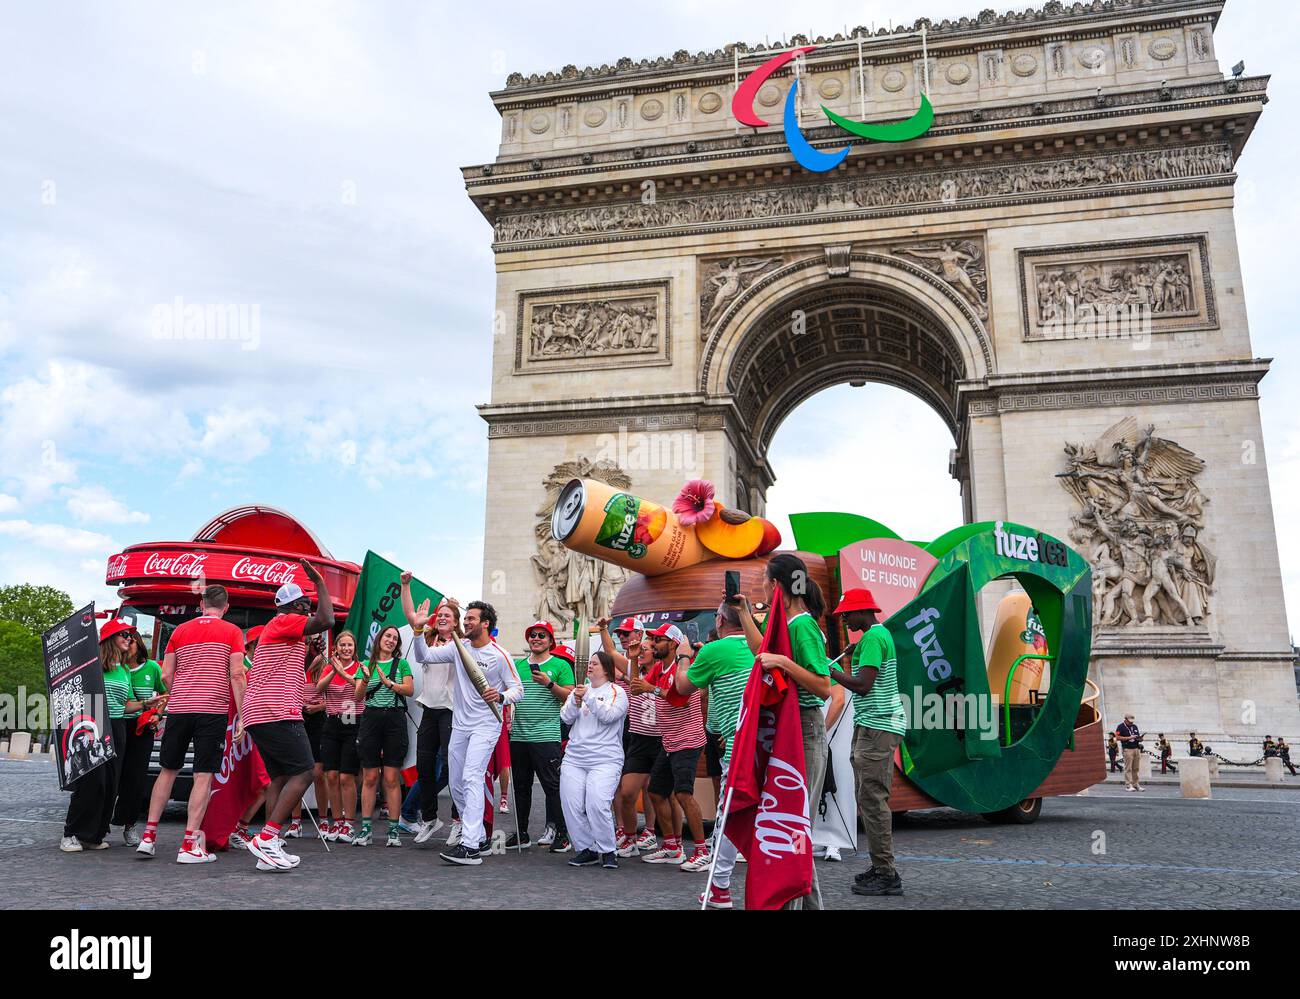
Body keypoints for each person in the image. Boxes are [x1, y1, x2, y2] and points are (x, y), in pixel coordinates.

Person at [736, 552, 833, 910]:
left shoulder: (802, 625)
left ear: (777, 585)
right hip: (790, 731)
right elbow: (762, 652)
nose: (761, 584)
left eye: (764, 579)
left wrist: (785, 662)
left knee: (791, 829)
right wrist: (745, 611)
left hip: (804, 729)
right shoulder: (787, 624)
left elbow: (823, 686)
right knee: (794, 831)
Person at [406, 594, 522, 866]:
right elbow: (425, 655)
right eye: (466, 617)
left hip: (486, 724)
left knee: (472, 777)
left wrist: (502, 696)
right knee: (457, 783)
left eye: (470, 618)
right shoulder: (460, 647)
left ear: (485, 623)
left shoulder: (500, 655)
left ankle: (469, 846)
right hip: (460, 723)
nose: (465, 622)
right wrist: (418, 630)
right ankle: (479, 835)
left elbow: (519, 689)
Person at [138, 585, 247, 863]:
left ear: (201, 603)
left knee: (168, 770)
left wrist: (181, 692)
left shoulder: (179, 631)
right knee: (203, 774)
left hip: (179, 709)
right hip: (211, 710)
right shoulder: (232, 632)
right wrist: (243, 716)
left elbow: (165, 675)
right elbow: (237, 674)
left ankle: (148, 836)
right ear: (227, 606)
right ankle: (188, 843)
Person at [238, 562, 335, 871]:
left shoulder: (284, 632)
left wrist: (310, 650)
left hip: (263, 710)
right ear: (293, 607)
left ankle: (269, 845)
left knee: (280, 777)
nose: (307, 613)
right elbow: (328, 619)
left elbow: (290, 669)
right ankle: (266, 838)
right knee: (306, 771)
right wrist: (320, 583)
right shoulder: (283, 621)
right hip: (275, 710)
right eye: (304, 606)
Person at [828, 588, 907, 898]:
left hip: (879, 726)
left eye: (847, 613)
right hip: (873, 725)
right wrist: (852, 655)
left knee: (873, 800)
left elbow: (862, 686)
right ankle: (880, 867)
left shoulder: (873, 639)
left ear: (863, 611)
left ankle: (887, 874)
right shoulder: (875, 636)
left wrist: (833, 672)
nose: (844, 618)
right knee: (868, 798)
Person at [676, 600, 754, 909]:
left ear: (720, 621)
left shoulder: (713, 651)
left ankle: (720, 888)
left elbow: (683, 687)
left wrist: (684, 657)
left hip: (737, 746)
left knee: (728, 816)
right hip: (761, 742)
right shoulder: (758, 644)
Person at [61, 619, 146, 852]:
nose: (129, 639)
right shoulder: (93, 666)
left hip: (117, 727)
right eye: (124, 635)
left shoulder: (125, 670)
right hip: (94, 724)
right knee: (91, 781)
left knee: (110, 784)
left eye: (130, 635)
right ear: (110, 639)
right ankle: (71, 834)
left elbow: (126, 704)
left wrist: (146, 704)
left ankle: (93, 835)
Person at [638, 623, 709, 869]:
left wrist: (652, 689)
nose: (654, 644)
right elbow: (637, 685)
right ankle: (672, 846)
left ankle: (701, 850)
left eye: (658, 640)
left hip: (688, 740)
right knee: (656, 792)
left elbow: (682, 699)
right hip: (669, 742)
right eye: (653, 640)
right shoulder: (658, 667)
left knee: (683, 794)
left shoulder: (685, 667)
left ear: (673, 643)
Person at [506, 620, 574, 851]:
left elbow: (570, 697)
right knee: (521, 787)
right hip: (519, 737)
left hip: (546, 737)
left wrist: (549, 683)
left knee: (552, 787)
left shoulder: (561, 665)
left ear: (550, 641)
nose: (536, 638)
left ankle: (563, 835)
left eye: (541, 635)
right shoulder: (517, 665)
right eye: (533, 635)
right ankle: (522, 833)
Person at [400, 586, 460, 845]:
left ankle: (459, 822)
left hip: (451, 712)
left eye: (449, 614)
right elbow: (413, 616)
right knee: (424, 768)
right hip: (429, 711)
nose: (443, 617)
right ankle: (430, 819)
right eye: (440, 614)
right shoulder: (428, 640)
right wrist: (405, 587)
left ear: (456, 622)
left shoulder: (462, 643)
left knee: (451, 768)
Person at [560, 651, 628, 869]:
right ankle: (586, 849)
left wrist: (588, 696)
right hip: (575, 758)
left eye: (594, 664)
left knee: (597, 803)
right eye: (589, 663)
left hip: (605, 759)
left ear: (607, 669)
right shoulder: (579, 692)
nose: (589, 666)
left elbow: (609, 716)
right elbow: (566, 718)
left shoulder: (617, 692)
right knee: (571, 804)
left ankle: (608, 850)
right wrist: (575, 702)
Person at [599, 617, 660, 856]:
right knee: (620, 781)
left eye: (627, 633)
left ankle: (651, 831)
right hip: (626, 725)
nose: (623, 637)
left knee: (650, 786)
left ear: (639, 634)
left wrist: (625, 676)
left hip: (654, 729)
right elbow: (610, 649)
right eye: (620, 633)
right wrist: (604, 629)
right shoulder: (628, 660)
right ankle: (624, 830)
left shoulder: (645, 660)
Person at [352, 624, 414, 847]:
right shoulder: (366, 665)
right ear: (379, 639)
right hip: (371, 720)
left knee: (390, 778)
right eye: (387, 636)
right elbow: (358, 696)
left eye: (395, 638)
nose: (391, 640)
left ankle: (393, 831)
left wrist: (389, 683)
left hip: (394, 720)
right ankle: (366, 829)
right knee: (369, 777)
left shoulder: (402, 664)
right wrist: (367, 679)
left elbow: (409, 690)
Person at [110, 631, 167, 846]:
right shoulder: (116, 667)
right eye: (125, 641)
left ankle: (130, 826)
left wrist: (157, 714)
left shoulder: (152, 667)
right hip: (117, 723)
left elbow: (164, 694)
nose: (127, 644)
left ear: (139, 644)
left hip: (141, 728)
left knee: (135, 779)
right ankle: (102, 821)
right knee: (112, 775)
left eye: (131, 641)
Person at [316, 629, 364, 843]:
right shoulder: (329, 667)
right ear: (336, 648)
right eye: (342, 645)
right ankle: (336, 821)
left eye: (350, 645)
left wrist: (344, 673)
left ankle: (349, 822)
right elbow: (319, 689)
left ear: (354, 649)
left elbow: (360, 690)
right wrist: (334, 672)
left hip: (352, 720)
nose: (346, 649)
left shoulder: (361, 667)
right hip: (332, 721)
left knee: (347, 776)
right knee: (331, 775)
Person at [287, 637, 329, 839]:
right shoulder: (295, 666)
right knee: (297, 772)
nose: (305, 648)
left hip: (319, 720)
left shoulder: (325, 666)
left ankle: (323, 820)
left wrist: (318, 707)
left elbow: (338, 700)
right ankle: (295, 823)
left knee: (318, 773)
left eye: (309, 645)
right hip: (298, 719)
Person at [1115, 713, 1144, 792]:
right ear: (1125, 719)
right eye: (1130, 721)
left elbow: (1137, 736)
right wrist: (1129, 737)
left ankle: (1136, 784)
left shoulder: (1134, 726)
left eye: (1132, 721)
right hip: (1127, 749)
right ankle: (1128, 785)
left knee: (1136, 768)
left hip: (1136, 748)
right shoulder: (1120, 727)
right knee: (1128, 768)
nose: (1131, 723)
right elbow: (1117, 738)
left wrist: (1140, 739)